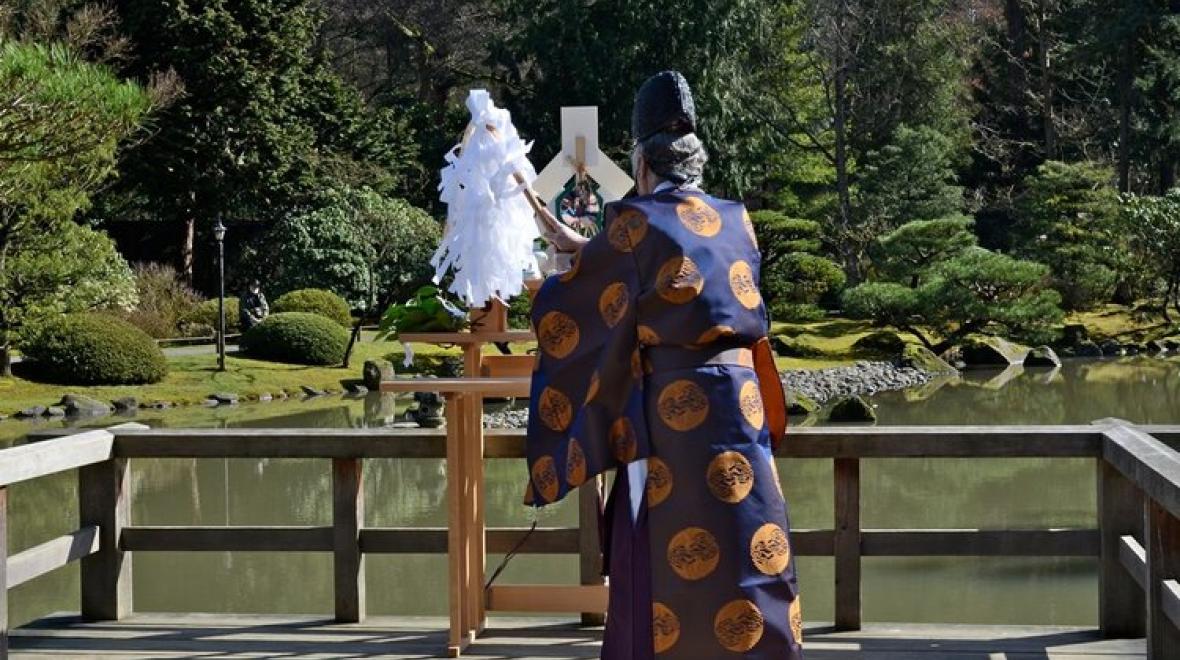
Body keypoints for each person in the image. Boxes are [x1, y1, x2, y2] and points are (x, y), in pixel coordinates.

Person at [525, 71, 803, 659]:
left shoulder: (634, 221)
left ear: (642, 164)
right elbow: (680, 275)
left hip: (672, 421)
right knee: (748, 551)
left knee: (659, 566)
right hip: (742, 407)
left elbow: (579, 308)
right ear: (696, 157)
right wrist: (591, 252)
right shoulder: (737, 218)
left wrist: (558, 277)